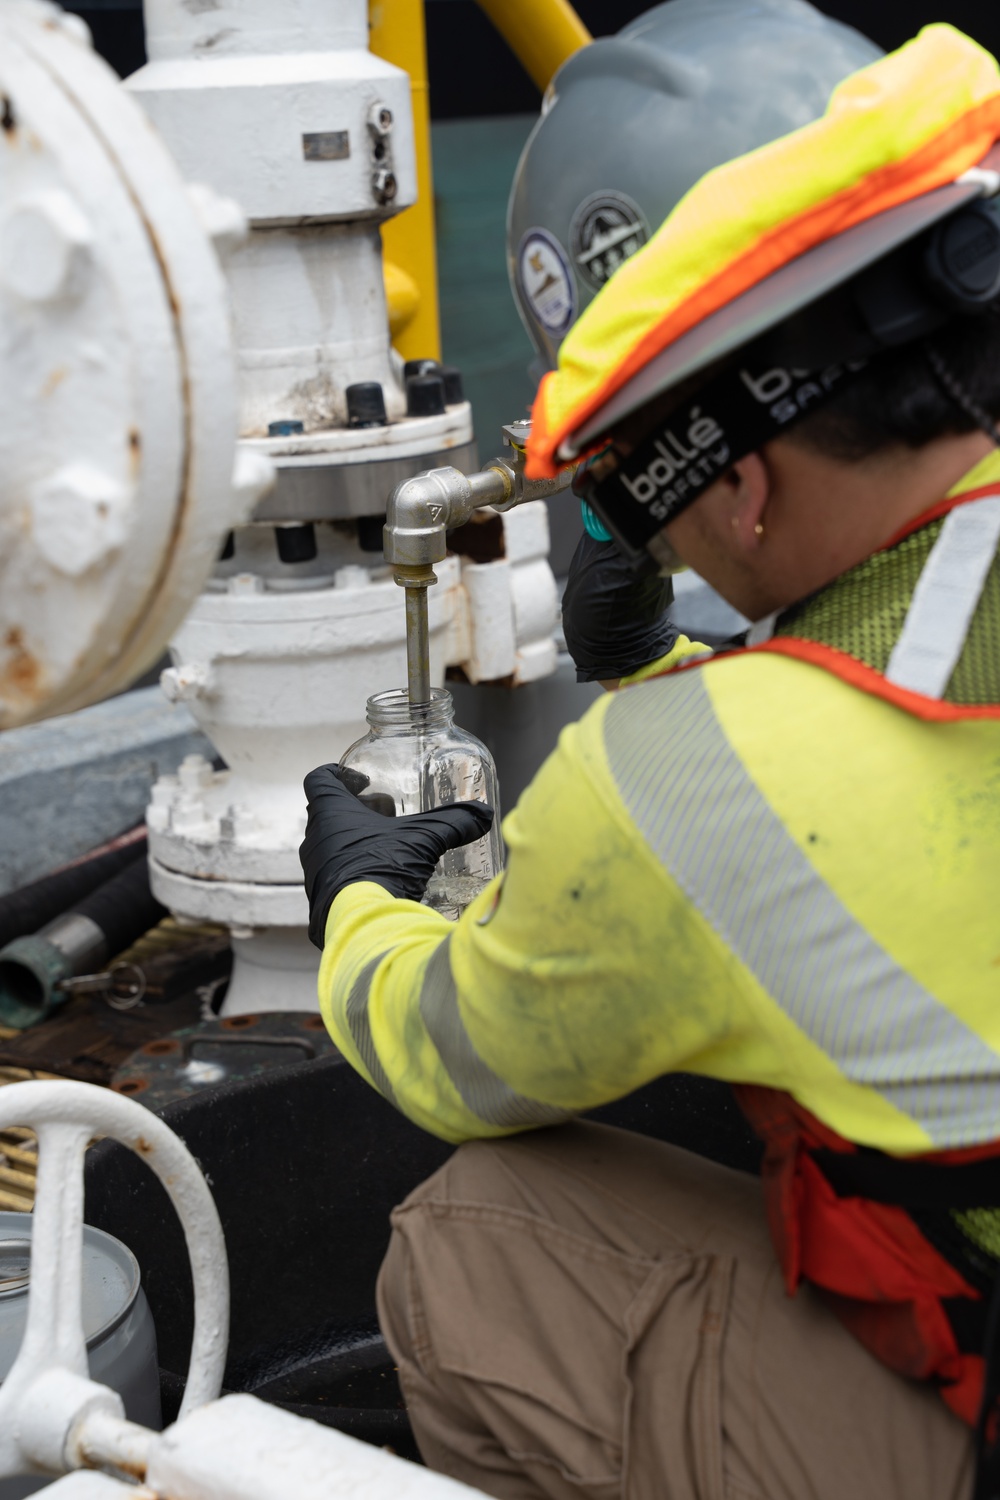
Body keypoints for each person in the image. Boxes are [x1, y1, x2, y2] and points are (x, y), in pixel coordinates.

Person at [299, 21, 1000, 1500]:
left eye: (635, 486)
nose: (644, 536)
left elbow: (453, 1054)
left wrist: (357, 907)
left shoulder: (689, 780)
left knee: (475, 1243)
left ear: (738, 485)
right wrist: (663, 663)